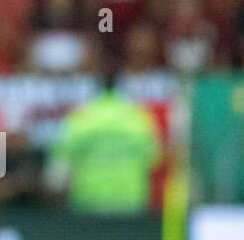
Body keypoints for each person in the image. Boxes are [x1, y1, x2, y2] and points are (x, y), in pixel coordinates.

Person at [46, 76, 163, 214]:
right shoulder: (138, 117)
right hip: (130, 196)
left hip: (88, 196)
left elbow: (62, 160)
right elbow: (154, 157)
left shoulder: (82, 117)